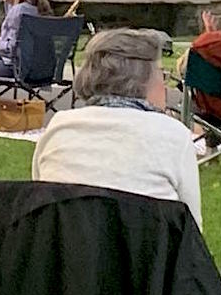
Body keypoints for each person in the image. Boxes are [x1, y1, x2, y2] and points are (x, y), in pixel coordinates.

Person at [31, 28, 202, 228]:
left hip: (67, 252)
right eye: (161, 75)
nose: (164, 85)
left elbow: (41, 199)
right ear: (144, 81)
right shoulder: (174, 135)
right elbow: (192, 228)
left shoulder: (60, 127)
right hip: (148, 255)